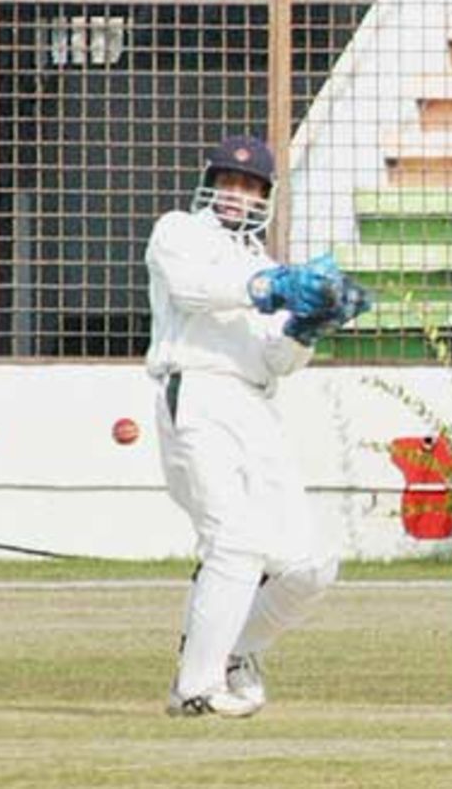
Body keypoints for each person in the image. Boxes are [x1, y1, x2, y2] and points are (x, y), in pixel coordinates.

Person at [145, 135, 369, 717]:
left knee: (312, 563)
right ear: (210, 184)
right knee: (235, 541)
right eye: (227, 182)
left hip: (254, 403)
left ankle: (234, 650)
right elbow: (191, 292)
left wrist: (308, 329)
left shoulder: (266, 263)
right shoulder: (178, 231)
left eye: (248, 187)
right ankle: (195, 688)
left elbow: (277, 362)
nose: (235, 194)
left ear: (263, 197)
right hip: (194, 390)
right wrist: (266, 291)